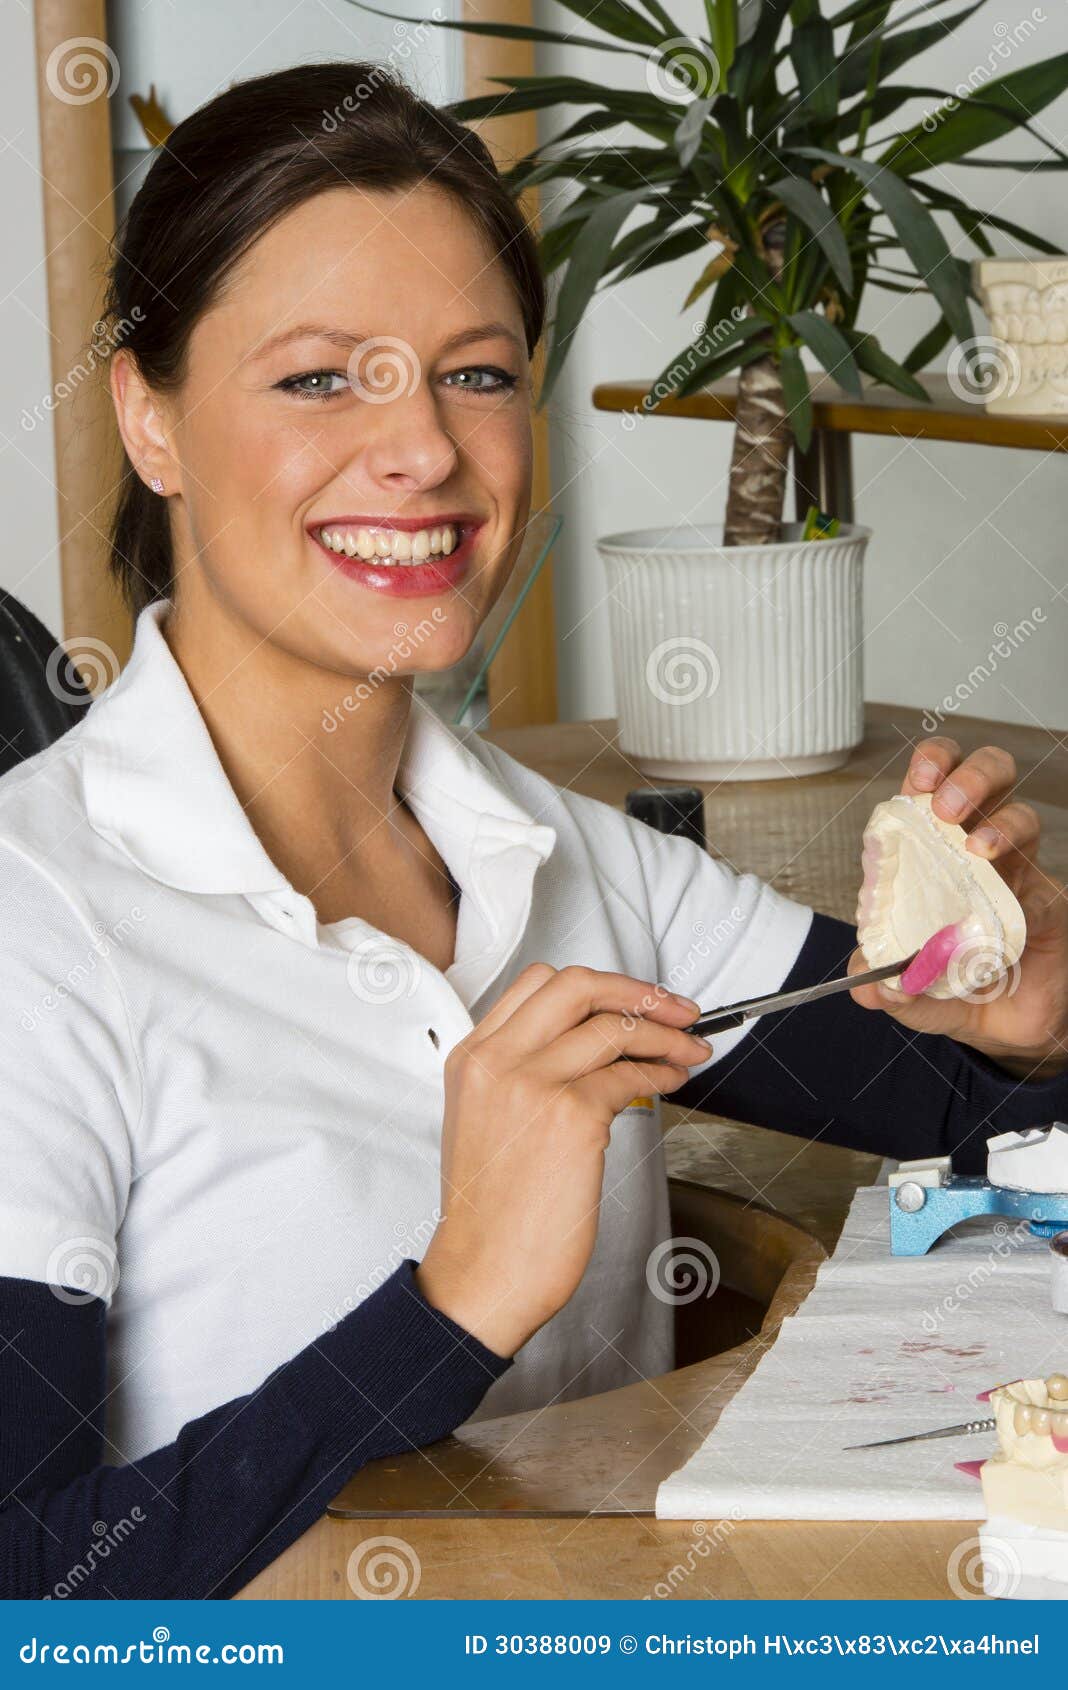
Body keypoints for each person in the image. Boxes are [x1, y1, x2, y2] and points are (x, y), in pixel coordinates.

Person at [2, 61, 1066, 1601]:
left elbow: (980, 1124)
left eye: (477, 373)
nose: (423, 449)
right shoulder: (40, 923)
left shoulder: (580, 860)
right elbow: (27, 1591)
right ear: (148, 418)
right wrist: (449, 1303)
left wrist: (1033, 1017)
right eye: (318, 379)